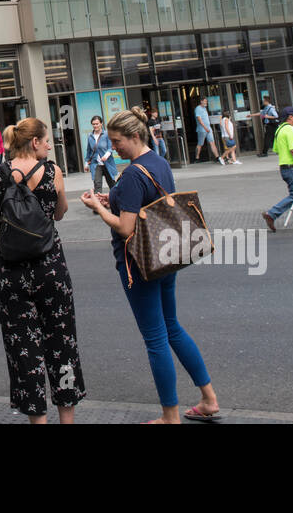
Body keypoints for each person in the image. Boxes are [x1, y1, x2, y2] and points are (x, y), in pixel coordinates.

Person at [81, 108, 221, 424]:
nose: (113, 147)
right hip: (165, 258)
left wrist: (97, 208)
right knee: (172, 327)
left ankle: (169, 417)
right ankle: (209, 398)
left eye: (117, 141)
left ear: (134, 136)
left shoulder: (131, 174)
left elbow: (126, 228)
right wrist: (111, 199)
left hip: (139, 263)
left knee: (156, 338)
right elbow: (144, 205)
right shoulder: (156, 161)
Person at [0, 116, 84, 423]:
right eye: (46, 140)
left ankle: (38, 420)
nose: (49, 145)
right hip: (51, 268)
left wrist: (2, 214)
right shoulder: (53, 171)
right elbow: (59, 213)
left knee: (24, 350)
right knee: (62, 345)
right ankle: (67, 419)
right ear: (34, 142)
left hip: (11, 274)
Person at [85, 115, 116, 191]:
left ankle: (116, 201)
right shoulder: (90, 136)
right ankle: (97, 201)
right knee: (97, 185)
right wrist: (86, 163)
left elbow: (110, 147)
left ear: (101, 124)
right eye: (93, 124)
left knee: (112, 184)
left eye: (97, 124)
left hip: (107, 163)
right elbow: (89, 150)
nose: (95, 126)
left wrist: (106, 155)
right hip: (96, 164)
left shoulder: (106, 134)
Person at [193, 98, 224, 165]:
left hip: (208, 128)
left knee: (212, 142)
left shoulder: (204, 108)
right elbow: (199, 119)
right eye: (205, 101)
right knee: (200, 144)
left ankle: (217, 157)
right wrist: (205, 128)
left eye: (206, 101)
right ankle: (196, 158)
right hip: (202, 129)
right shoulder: (198, 108)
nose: (206, 102)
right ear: (201, 101)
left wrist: (208, 128)